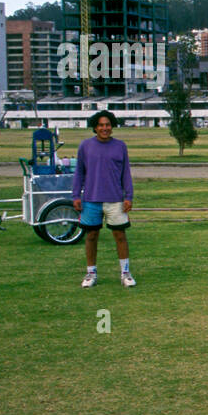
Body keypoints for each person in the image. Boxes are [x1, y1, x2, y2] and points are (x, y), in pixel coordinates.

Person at [71, 110, 135, 288]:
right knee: (91, 236)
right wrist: (76, 195)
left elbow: (126, 174)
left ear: (112, 126)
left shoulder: (120, 146)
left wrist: (128, 196)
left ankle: (125, 272)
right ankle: (91, 273)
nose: (104, 128)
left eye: (107, 125)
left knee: (120, 235)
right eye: (100, 125)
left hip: (115, 199)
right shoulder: (85, 146)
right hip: (91, 199)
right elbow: (79, 173)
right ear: (95, 127)